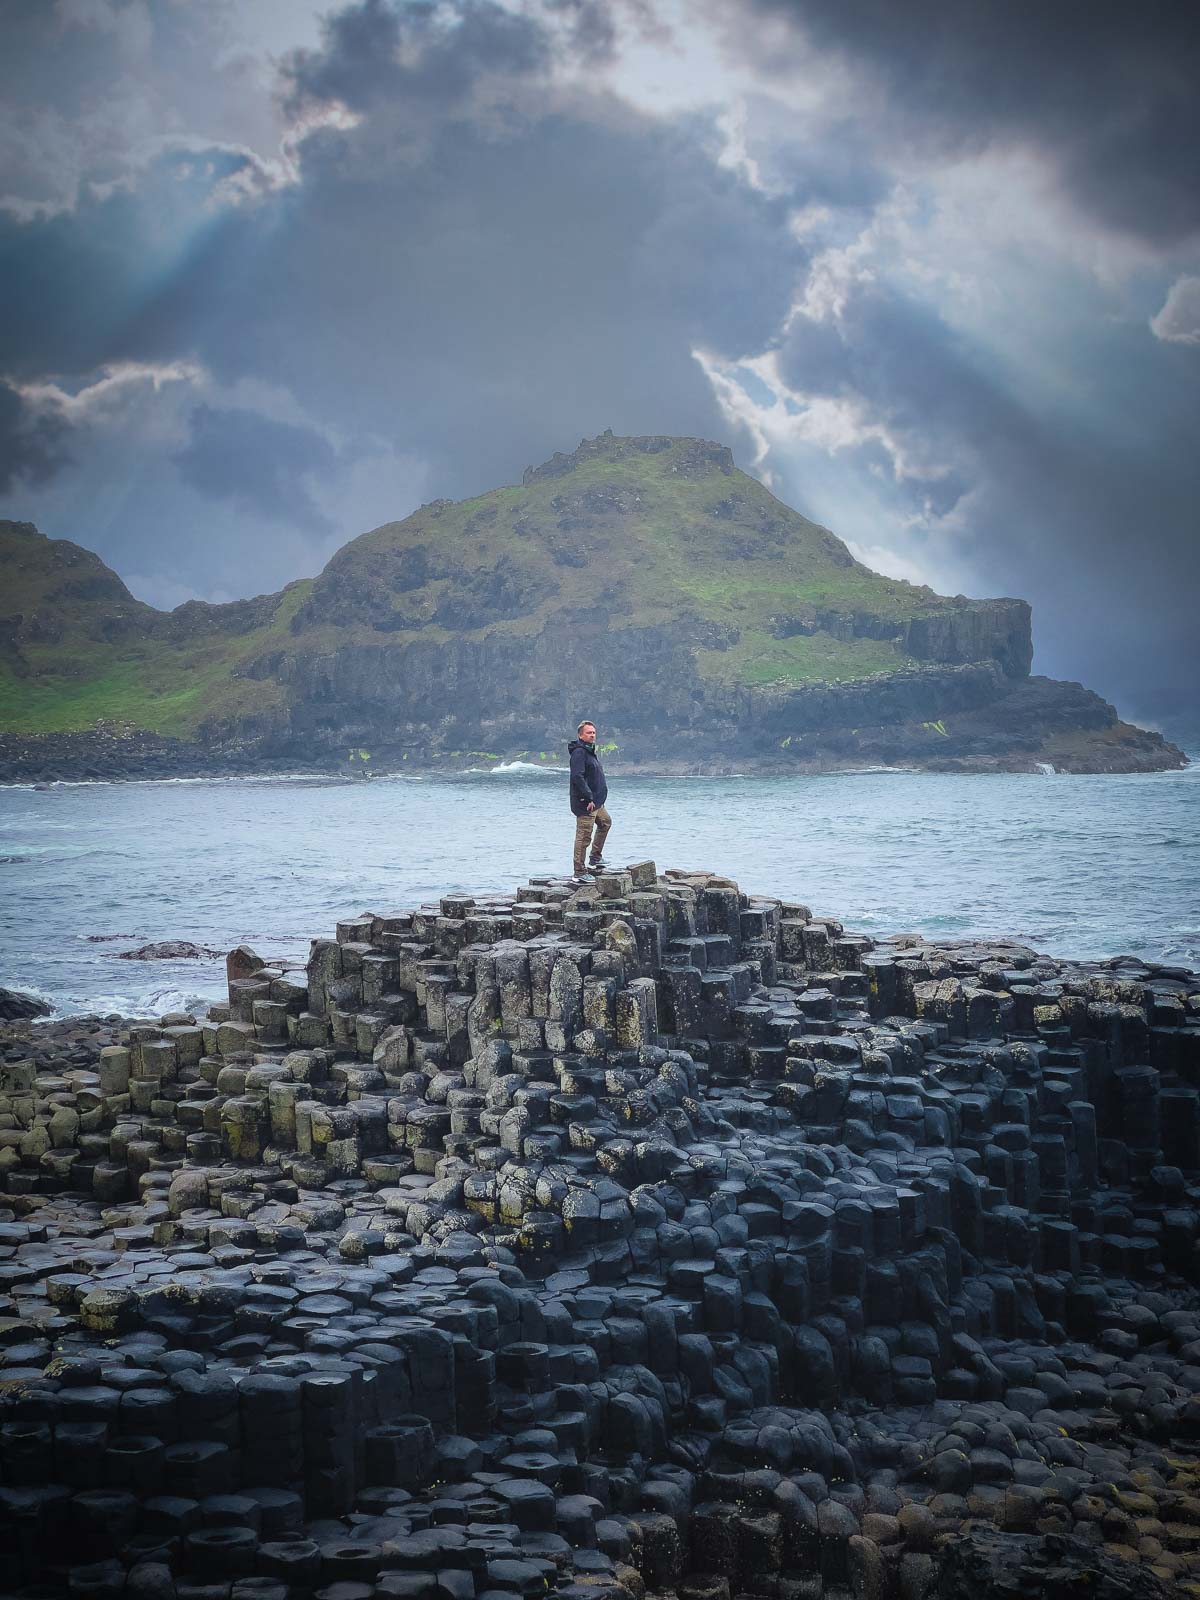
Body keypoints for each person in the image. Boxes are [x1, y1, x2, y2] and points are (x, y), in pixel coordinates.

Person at [568, 719, 611, 877]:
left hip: (597, 802)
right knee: (584, 836)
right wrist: (588, 797)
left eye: (593, 732)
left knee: (605, 822)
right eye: (589, 733)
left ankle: (595, 857)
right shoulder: (579, 753)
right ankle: (579, 871)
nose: (592, 735)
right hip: (586, 803)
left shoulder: (589, 751)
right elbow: (577, 777)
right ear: (580, 735)